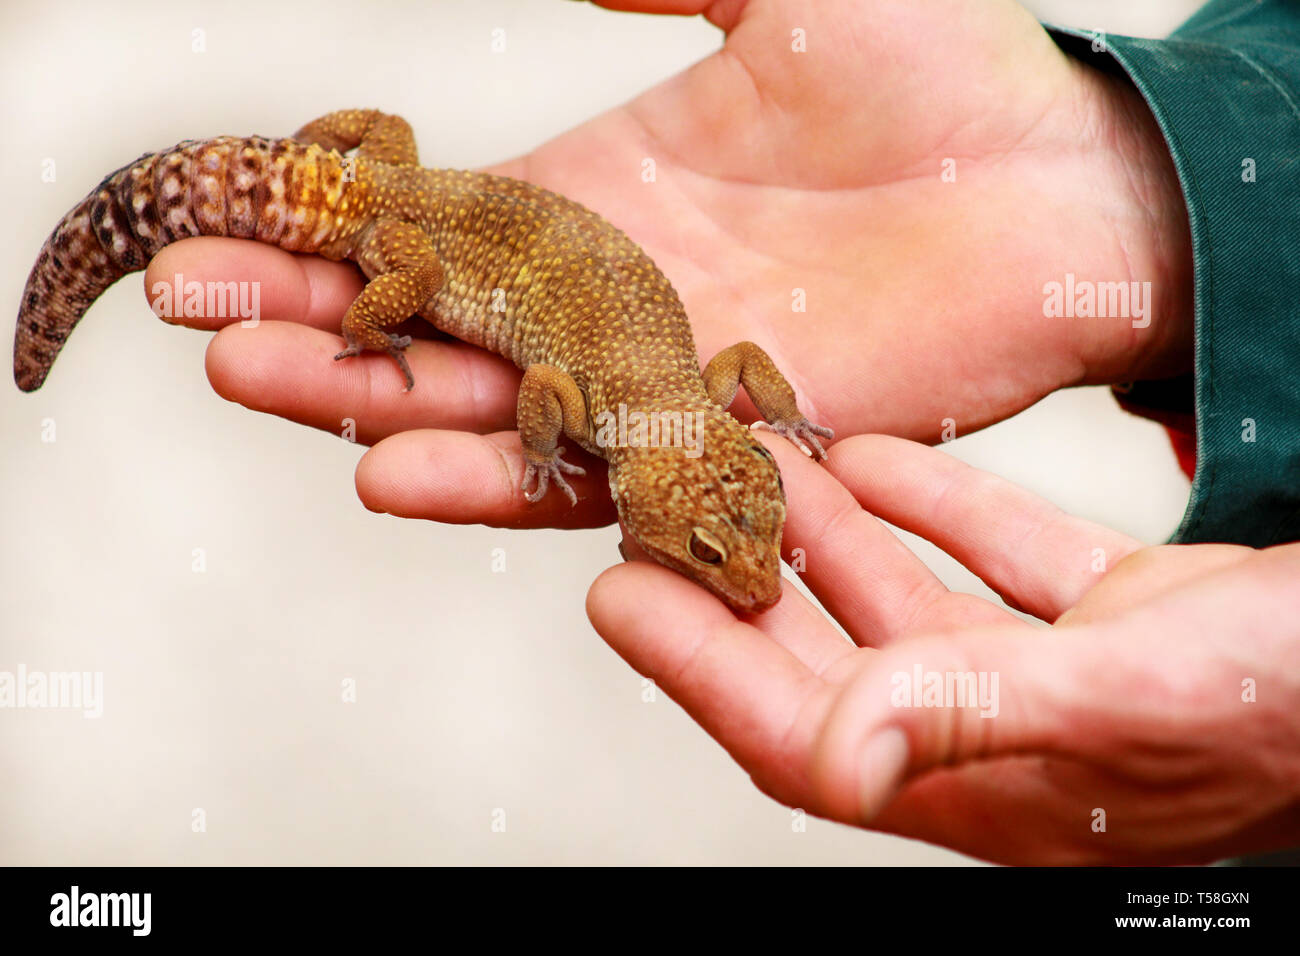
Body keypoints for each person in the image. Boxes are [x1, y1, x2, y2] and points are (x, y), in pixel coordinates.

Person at [144, 0, 1300, 863]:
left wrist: (778, 411)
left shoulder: (686, 413)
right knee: (367, 285)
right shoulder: (638, 417)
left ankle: (296, 170)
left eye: (736, 535)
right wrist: (531, 439)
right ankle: (328, 253)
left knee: (374, 143)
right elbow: (548, 378)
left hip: (388, 183)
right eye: (718, 551)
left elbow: (729, 367)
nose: (748, 575)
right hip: (402, 224)